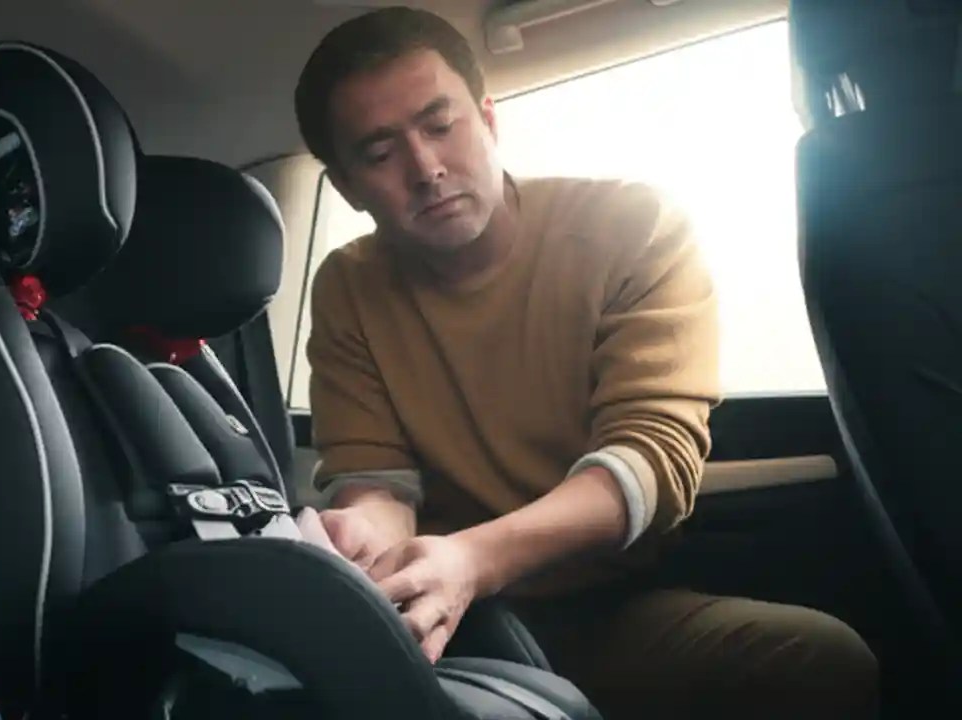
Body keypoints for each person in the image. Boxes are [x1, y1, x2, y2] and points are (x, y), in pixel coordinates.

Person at [293, 7, 879, 719]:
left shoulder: (631, 229)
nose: (428, 168)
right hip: (459, 625)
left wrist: (474, 559)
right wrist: (366, 534)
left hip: (612, 606)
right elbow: (377, 480)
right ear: (347, 186)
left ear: (487, 119)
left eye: (441, 125)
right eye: (381, 154)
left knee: (820, 659)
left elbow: (652, 459)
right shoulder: (348, 286)